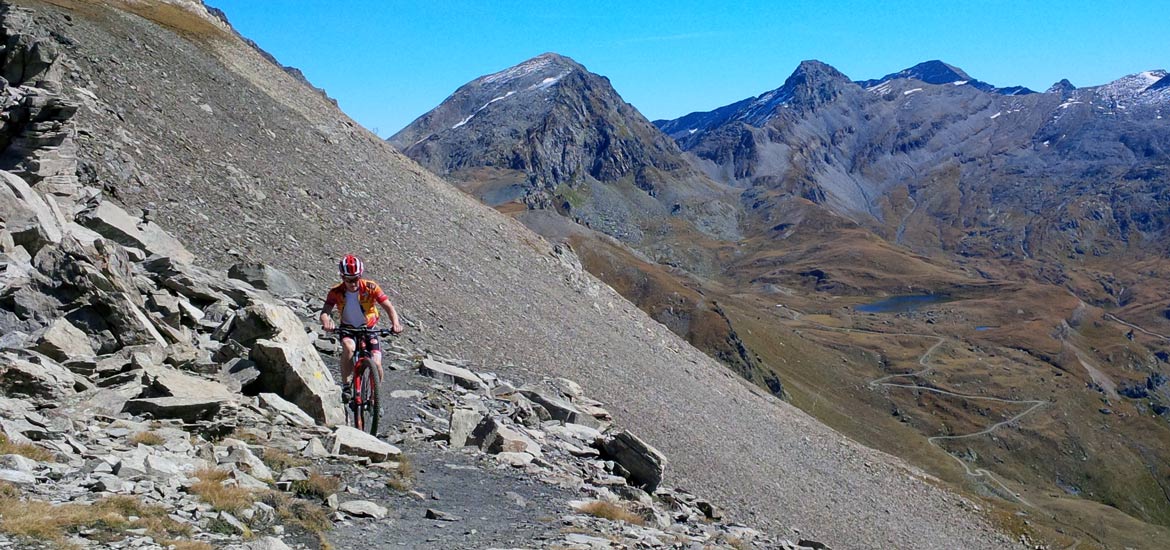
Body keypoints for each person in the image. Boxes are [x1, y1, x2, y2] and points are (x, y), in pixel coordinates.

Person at [319, 254, 403, 394]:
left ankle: (375, 397)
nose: (353, 283)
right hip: (348, 329)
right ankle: (346, 385)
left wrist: (396, 324)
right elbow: (325, 311)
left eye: (356, 279)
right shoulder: (336, 292)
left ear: (361, 275)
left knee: (376, 362)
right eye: (348, 279)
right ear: (342, 277)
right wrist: (327, 322)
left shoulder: (371, 287)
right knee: (348, 347)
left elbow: (388, 307)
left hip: (369, 329)